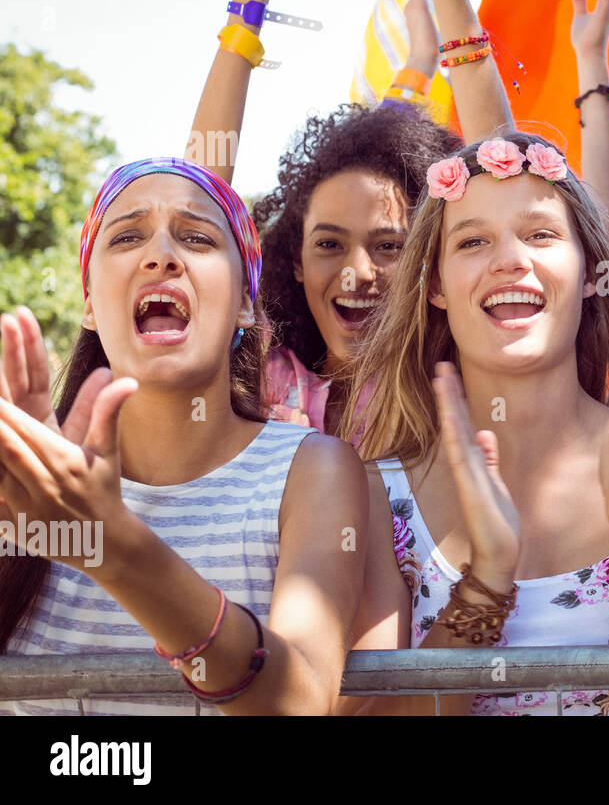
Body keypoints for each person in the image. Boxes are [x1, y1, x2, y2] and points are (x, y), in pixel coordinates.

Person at [188, 0, 609, 439]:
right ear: (293, 263)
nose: (357, 272)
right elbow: (194, 213)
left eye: (390, 245)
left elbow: (507, 178)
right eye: (328, 244)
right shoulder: (256, 386)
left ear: (433, 266)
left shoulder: (459, 386)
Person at [336, 130, 609, 716]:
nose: (510, 260)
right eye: (472, 242)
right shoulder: (374, 497)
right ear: (435, 285)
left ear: (591, 271)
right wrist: (484, 584)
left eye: (540, 234)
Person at [0, 158, 382, 715]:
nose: (161, 255)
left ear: (246, 304)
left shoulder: (311, 472)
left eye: (197, 238)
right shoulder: (23, 474)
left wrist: (112, 550)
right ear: (87, 302)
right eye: (128, 235)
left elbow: (298, 704)